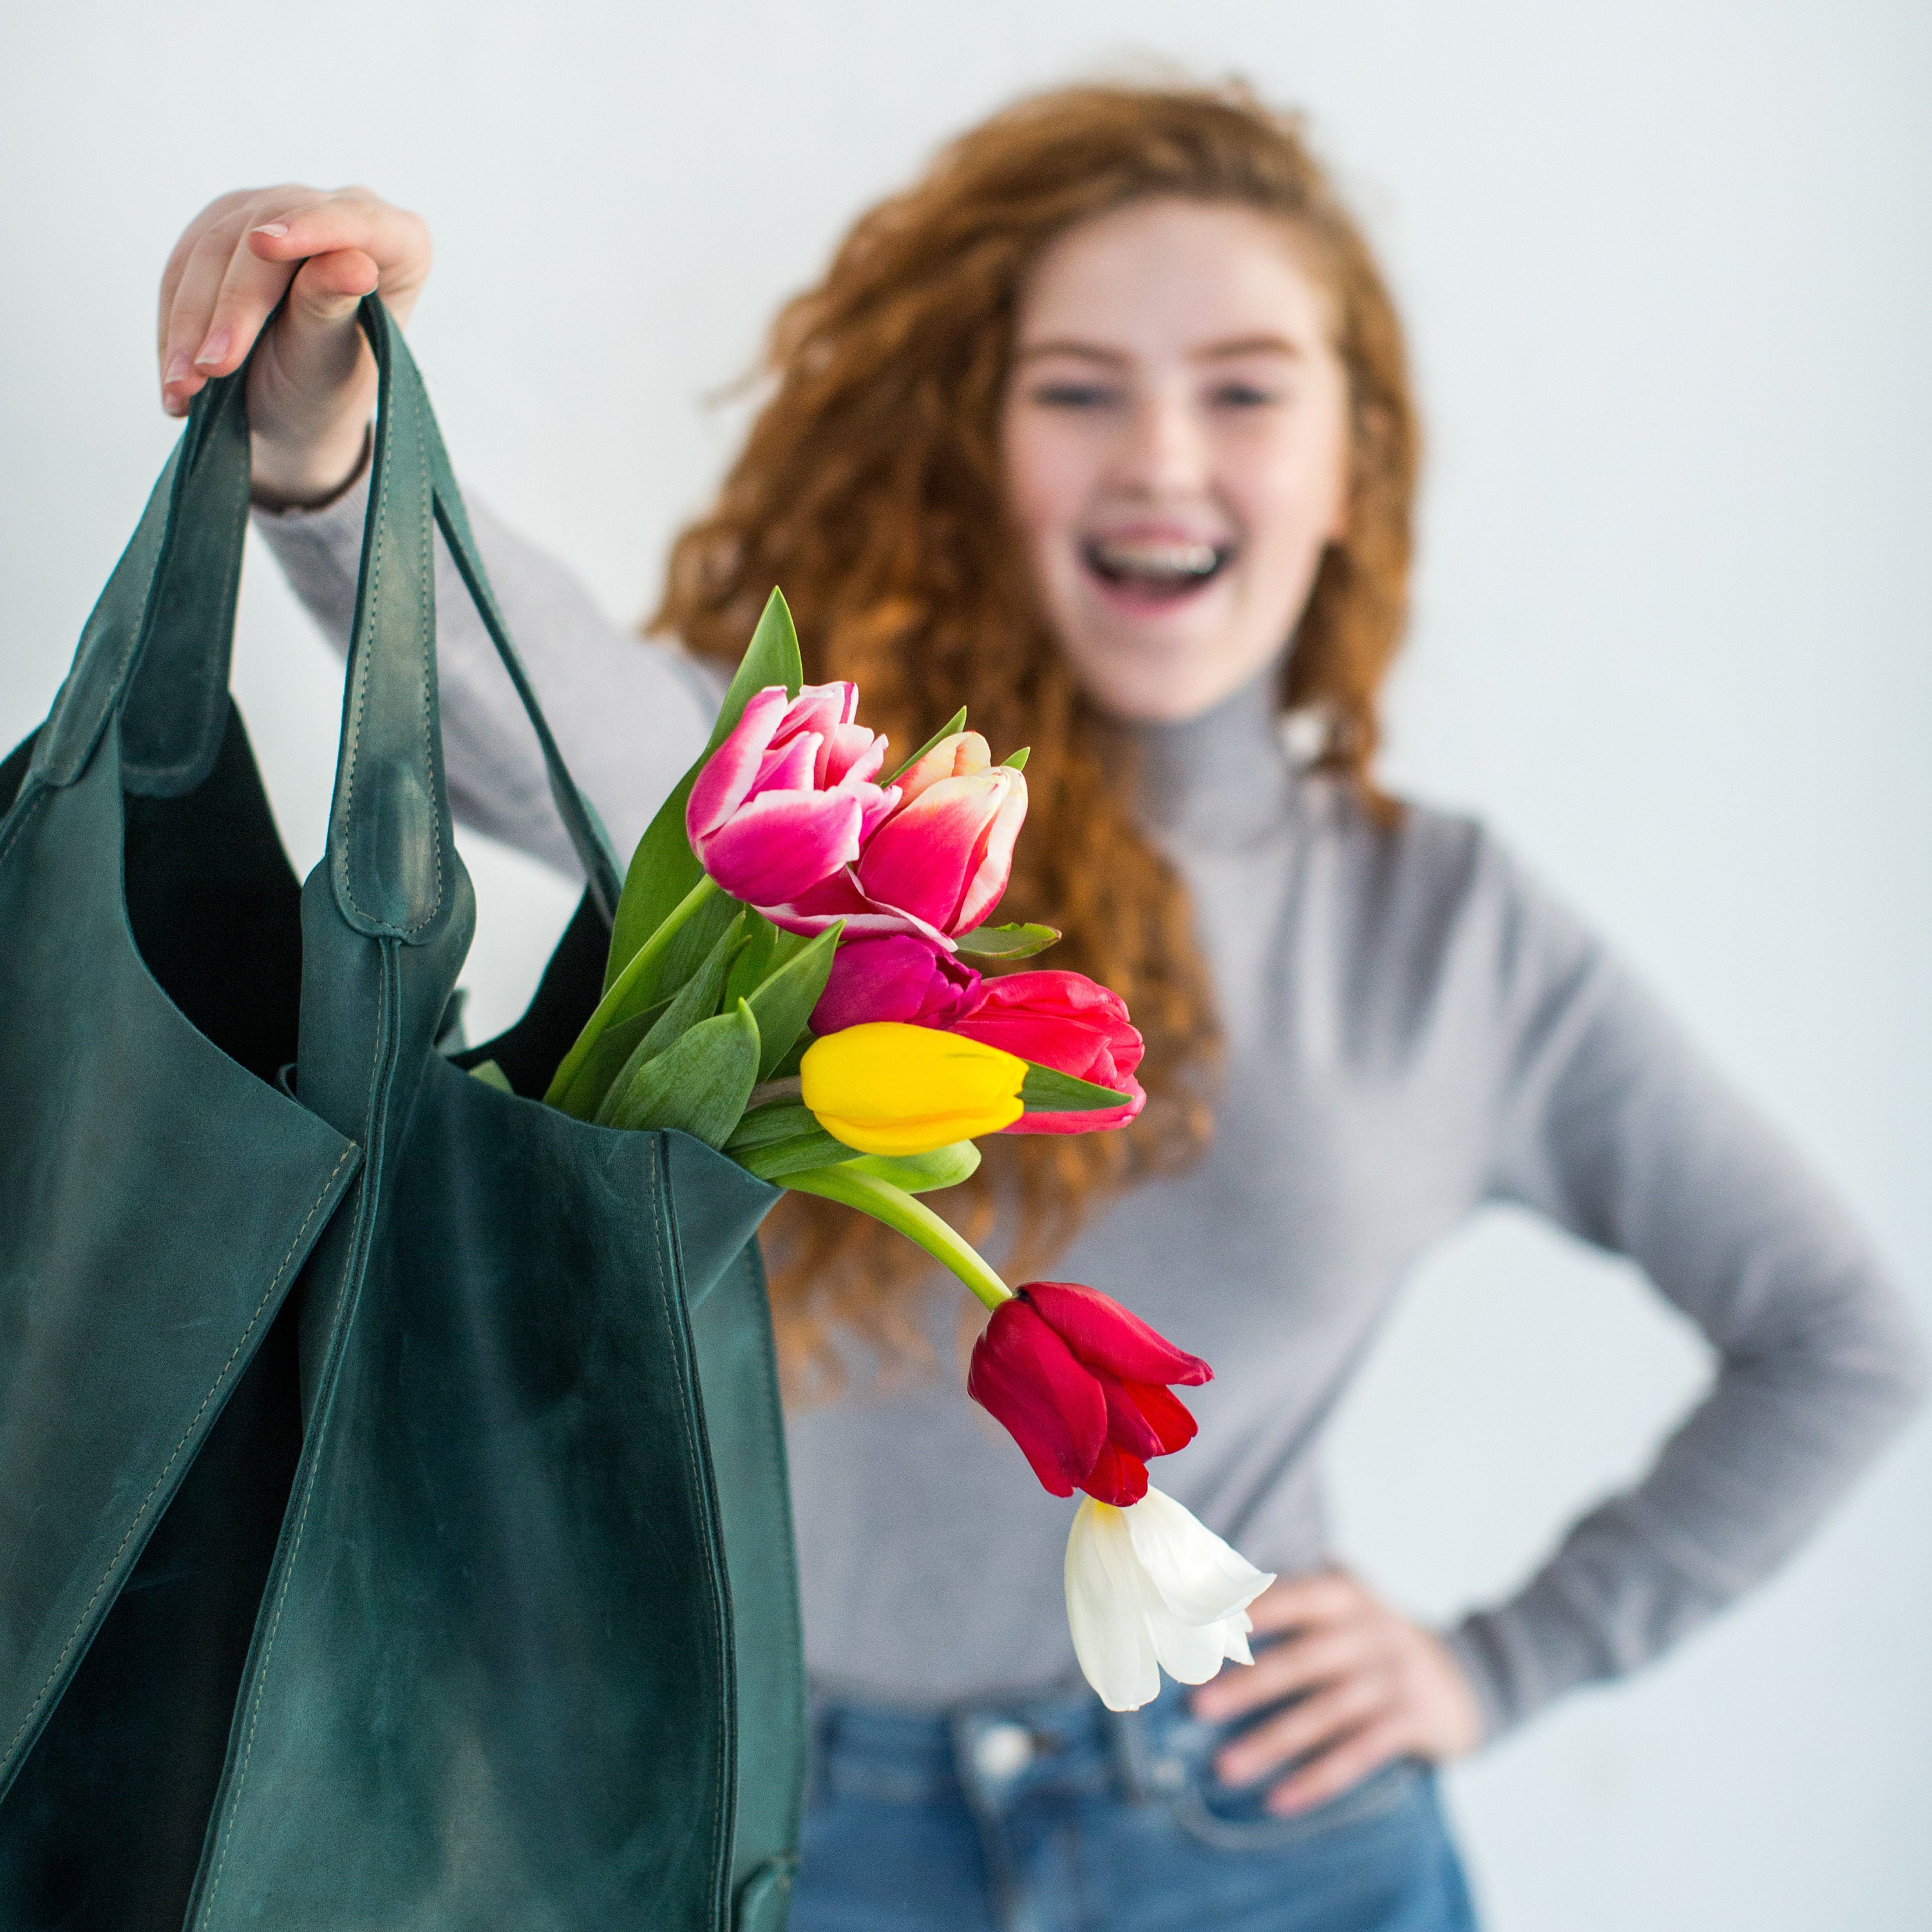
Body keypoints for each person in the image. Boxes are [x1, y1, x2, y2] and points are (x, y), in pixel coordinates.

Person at [155, 81, 1923, 1932]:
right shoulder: (832, 819)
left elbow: (1843, 1338)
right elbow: (534, 702)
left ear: (1352, 461)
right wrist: (333, 447)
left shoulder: (1457, 935)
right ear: (974, 441)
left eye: (1244, 389)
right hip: (772, 1822)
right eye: (1079, 389)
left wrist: (1508, 1661)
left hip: (1267, 1841)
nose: (1161, 453)